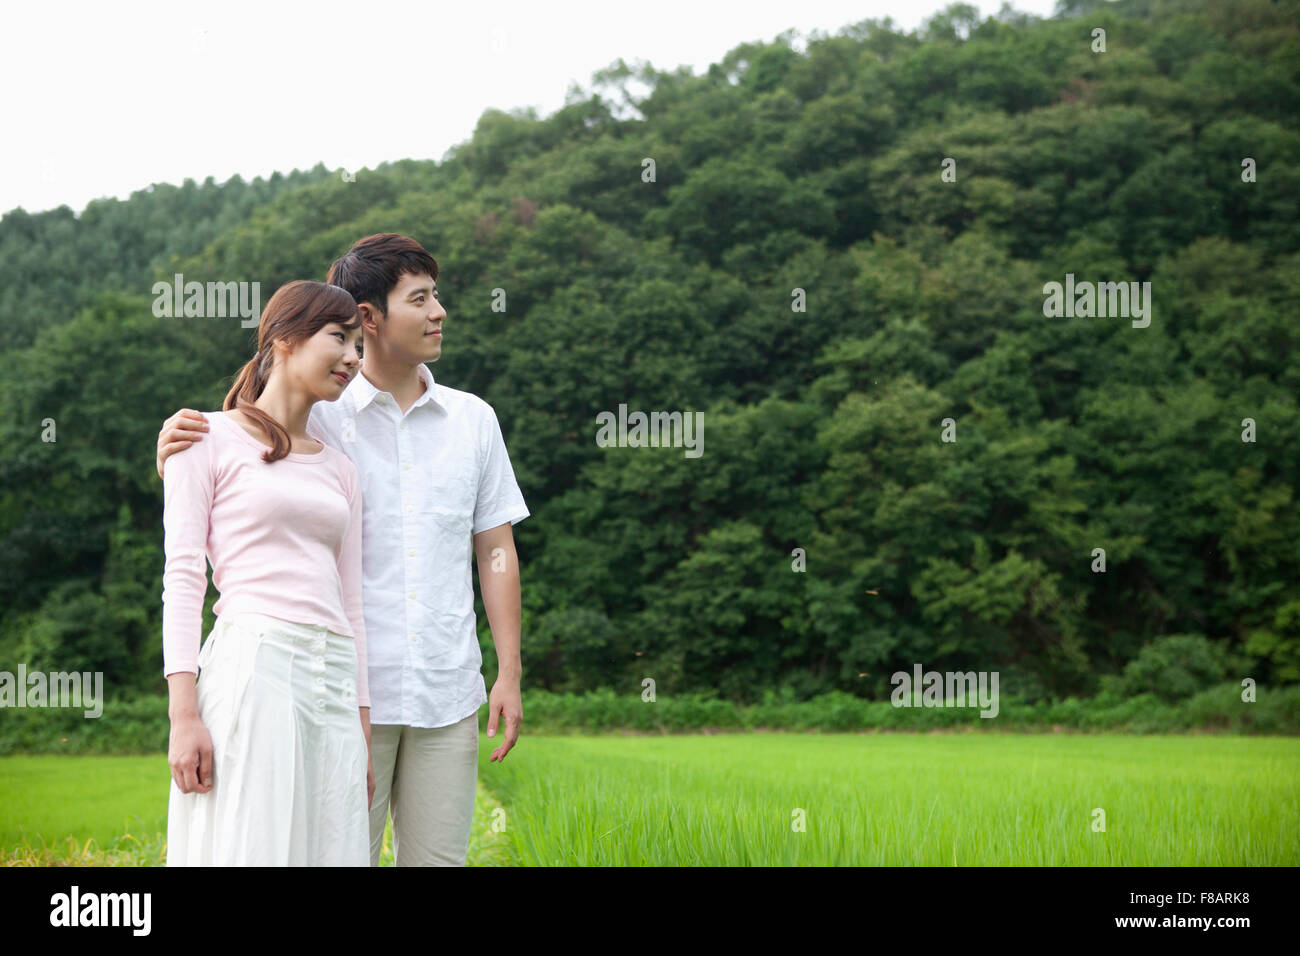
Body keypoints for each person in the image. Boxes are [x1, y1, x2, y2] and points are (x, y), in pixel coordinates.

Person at [156, 234, 528, 867]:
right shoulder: (322, 412)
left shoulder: (473, 420)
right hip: (338, 692)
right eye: (422, 298)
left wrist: (511, 669)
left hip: (447, 685)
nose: (440, 312)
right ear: (370, 317)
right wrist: (175, 445)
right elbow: (239, 457)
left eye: (438, 296)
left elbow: (495, 549)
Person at [162, 279, 373, 866]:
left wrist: (362, 732)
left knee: (333, 850)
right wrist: (184, 716)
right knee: (253, 847)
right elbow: (182, 580)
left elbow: (350, 603)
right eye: (340, 338)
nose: (354, 358)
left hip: (333, 674)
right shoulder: (202, 438)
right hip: (255, 665)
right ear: (283, 340)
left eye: (359, 344)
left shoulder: (342, 471)